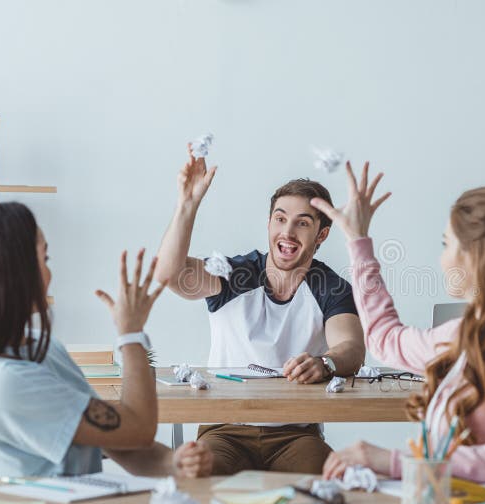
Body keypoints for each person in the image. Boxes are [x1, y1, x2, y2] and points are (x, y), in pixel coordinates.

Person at [313, 162, 485, 484]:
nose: (442, 258)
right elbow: (385, 339)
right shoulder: (464, 333)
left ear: (475, 256)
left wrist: (394, 461)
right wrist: (357, 240)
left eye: (445, 244)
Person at [0, 202, 210, 478]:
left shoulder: (43, 348)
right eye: (45, 258)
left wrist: (172, 462)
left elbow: (116, 437)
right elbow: (138, 428)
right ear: (12, 272)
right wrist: (131, 333)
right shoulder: (6, 382)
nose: (50, 272)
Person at [154, 145, 365, 476]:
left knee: (331, 482)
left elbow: (352, 348)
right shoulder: (235, 273)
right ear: (269, 223)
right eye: (280, 219)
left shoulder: (330, 286)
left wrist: (326, 363)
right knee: (199, 478)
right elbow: (169, 274)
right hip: (224, 429)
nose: (287, 232)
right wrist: (187, 205)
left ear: (322, 234)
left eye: (302, 223)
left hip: (296, 435)